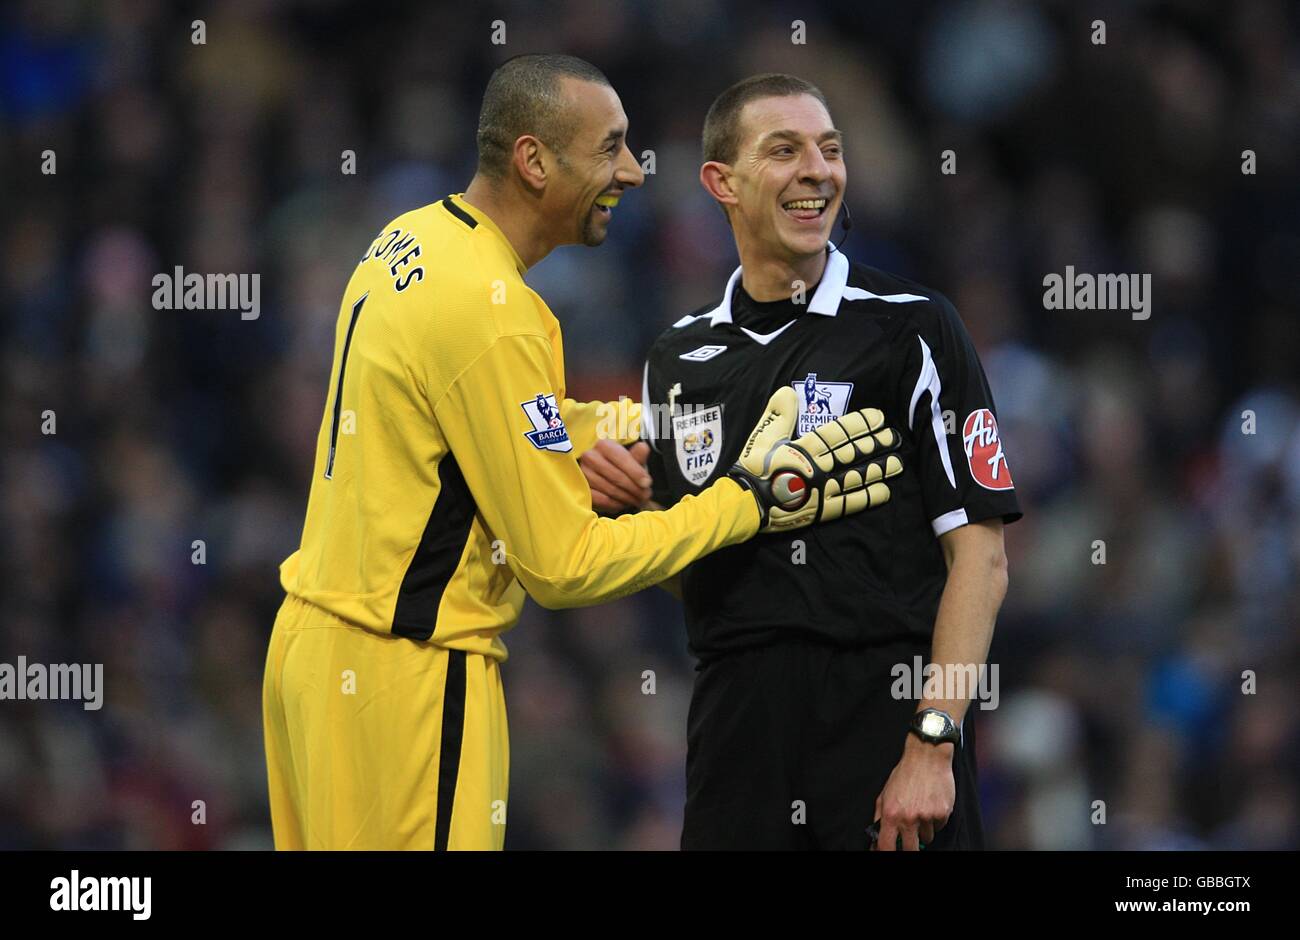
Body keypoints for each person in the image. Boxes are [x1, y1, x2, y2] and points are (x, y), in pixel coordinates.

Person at [262, 56, 901, 851]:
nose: (632, 172)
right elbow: (563, 565)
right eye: (610, 148)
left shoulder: (412, 238)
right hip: (406, 676)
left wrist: (659, 428)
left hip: (313, 652)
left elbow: (489, 411)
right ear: (534, 161)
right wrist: (747, 497)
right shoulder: (495, 314)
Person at [589, 73, 1021, 850]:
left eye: (829, 149)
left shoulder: (913, 328)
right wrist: (639, 508)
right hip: (734, 732)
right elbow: (697, 571)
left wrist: (933, 741)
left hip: (881, 716)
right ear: (721, 181)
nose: (816, 170)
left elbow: (982, 560)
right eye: (784, 150)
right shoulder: (677, 358)